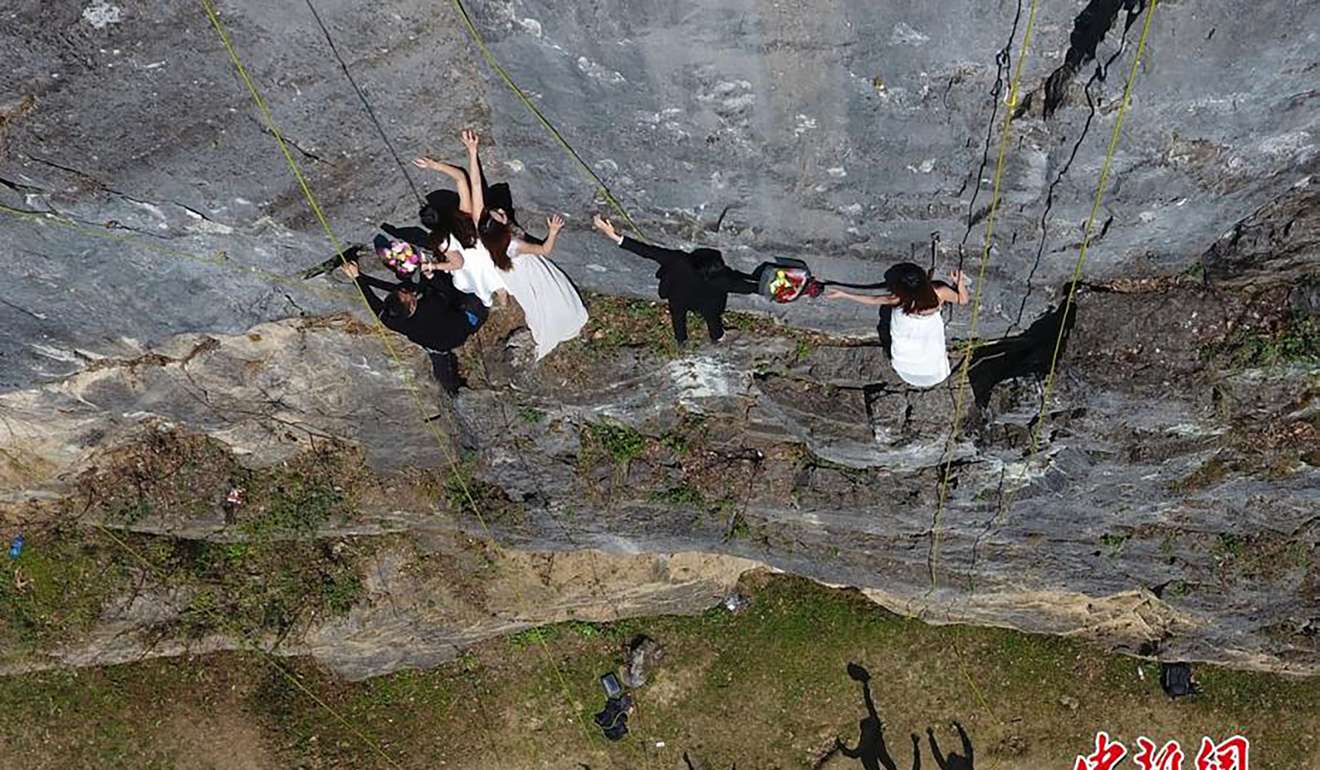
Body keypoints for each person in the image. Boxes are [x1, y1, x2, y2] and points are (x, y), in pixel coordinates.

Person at [421, 131, 588, 359]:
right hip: (509, 263)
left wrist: (472, 152)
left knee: (509, 291)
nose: (500, 211)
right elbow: (468, 181)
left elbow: (476, 184)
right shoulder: (497, 232)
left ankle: (507, 300)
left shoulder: (482, 225)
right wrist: (553, 232)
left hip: (495, 267)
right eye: (499, 213)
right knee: (527, 289)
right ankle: (529, 308)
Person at [590, 214, 761, 345]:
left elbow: (646, 251)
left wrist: (613, 235)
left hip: (679, 296)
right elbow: (743, 286)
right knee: (712, 317)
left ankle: (682, 341)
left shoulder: (679, 261)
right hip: (708, 303)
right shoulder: (720, 279)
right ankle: (718, 337)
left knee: (678, 317)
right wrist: (765, 287)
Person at [340, 256, 485, 395]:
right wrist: (430, 277)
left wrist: (358, 278)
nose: (406, 291)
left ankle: (450, 388)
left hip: (438, 346)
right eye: (406, 294)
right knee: (473, 297)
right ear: (411, 306)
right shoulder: (432, 305)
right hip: (463, 329)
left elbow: (374, 303)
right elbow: (451, 294)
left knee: (439, 358)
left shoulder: (393, 320)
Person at [826, 263, 969, 387]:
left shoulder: (899, 298)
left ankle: (916, 363)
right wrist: (959, 282)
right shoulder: (939, 292)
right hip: (925, 330)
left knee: (914, 345)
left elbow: (872, 299)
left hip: (907, 334)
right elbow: (963, 300)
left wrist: (845, 294)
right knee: (927, 346)